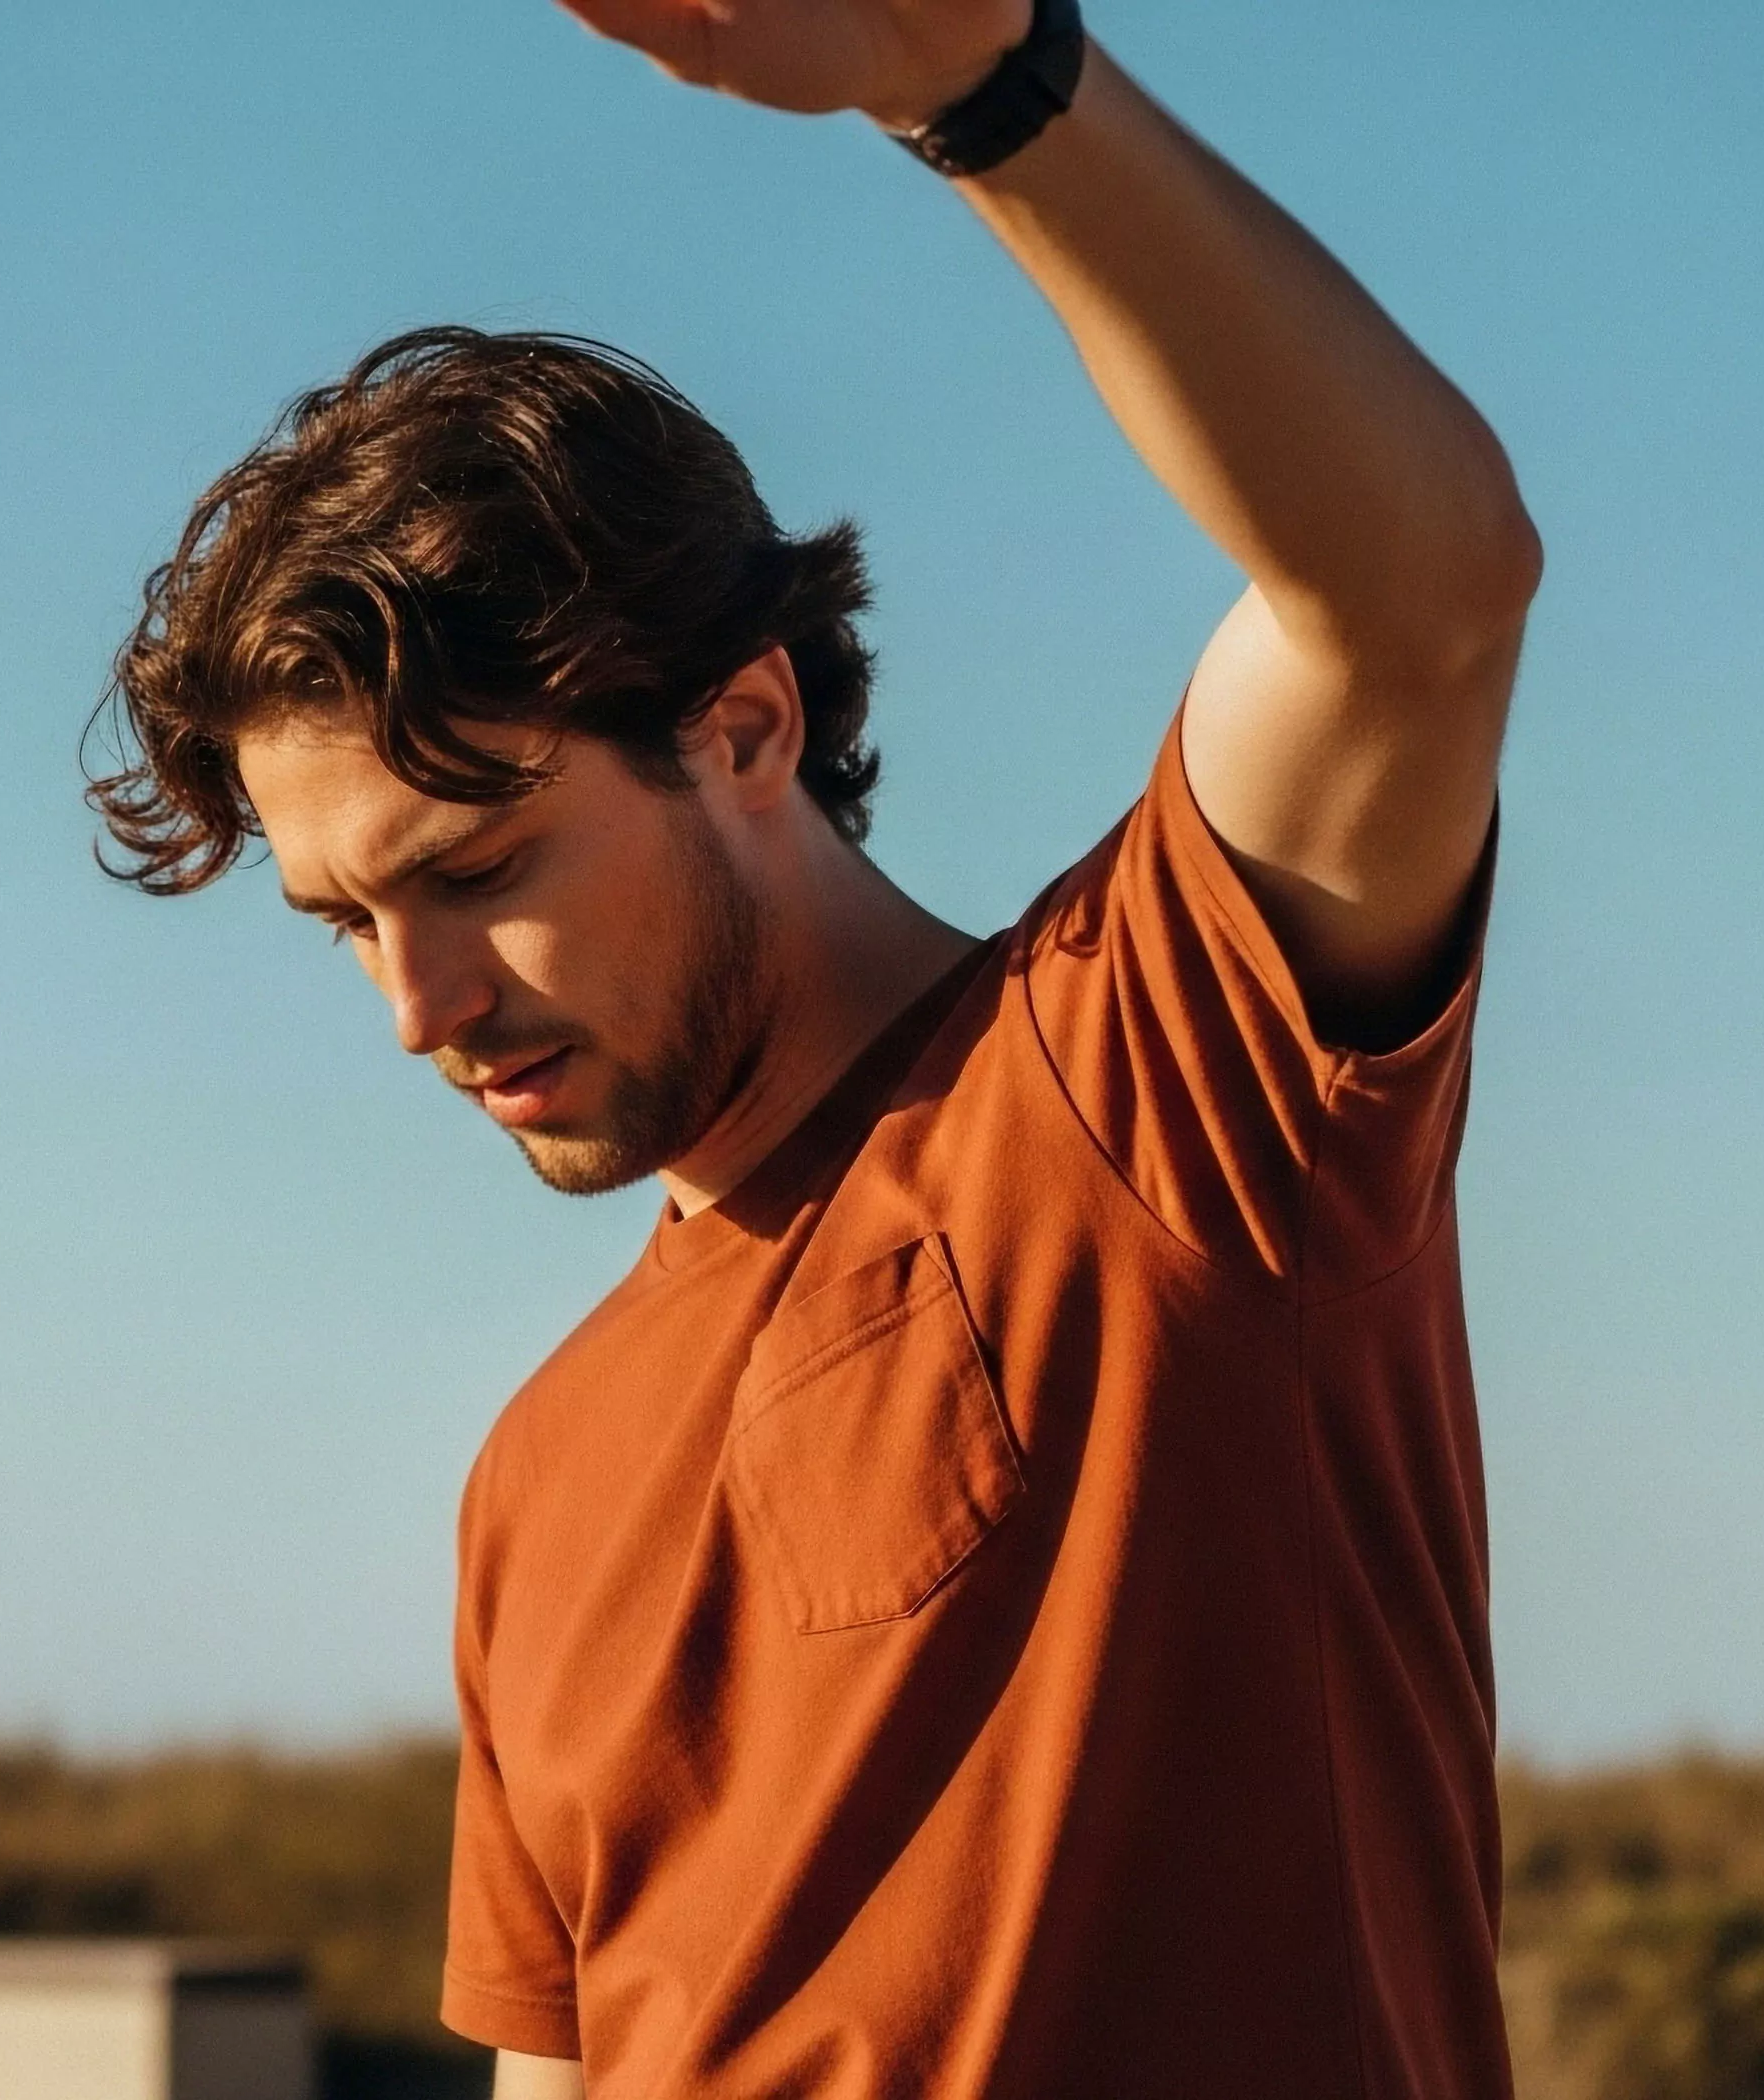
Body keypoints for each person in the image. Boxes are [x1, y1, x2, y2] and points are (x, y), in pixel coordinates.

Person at [91, 0, 1537, 2091]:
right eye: (344, 926)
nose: (415, 1010)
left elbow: (1416, 595)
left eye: (473, 865)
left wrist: (983, 79)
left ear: (742, 728)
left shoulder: (1154, 1081)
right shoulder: (537, 1478)